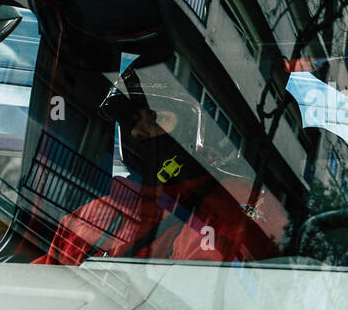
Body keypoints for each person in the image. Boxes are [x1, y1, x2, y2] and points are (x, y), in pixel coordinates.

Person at [33, 65, 285, 267]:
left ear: (191, 128)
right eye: (132, 120)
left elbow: (201, 296)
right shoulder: (93, 213)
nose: (140, 132)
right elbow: (45, 279)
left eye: (158, 117)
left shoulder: (232, 200)